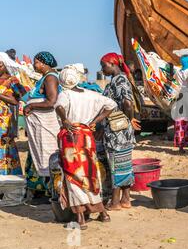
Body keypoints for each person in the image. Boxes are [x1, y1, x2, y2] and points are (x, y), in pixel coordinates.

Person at [55, 68, 117, 229]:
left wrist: (65, 120)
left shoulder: (65, 94)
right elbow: (111, 105)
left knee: (73, 175)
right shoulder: (90, 94)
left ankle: (81, 218)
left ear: (62, 81)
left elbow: (59, 107)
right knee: (90, 174)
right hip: (86, 138)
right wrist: (95, 121)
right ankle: (103, 213)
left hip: (71, 138)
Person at [100, 53, 140, 211]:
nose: (102, 69)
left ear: (112, 63)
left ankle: (115, 202)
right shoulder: (120, 79)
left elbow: (127, 103)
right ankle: (126, 199)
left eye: (104, 65)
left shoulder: (119, 80)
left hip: (117, 131)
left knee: (115, 164)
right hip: (122, 131)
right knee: (124, 163)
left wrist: (128, 119)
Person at [23, 52, 62, 198]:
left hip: (46, 124)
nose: (34, 65)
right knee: (42, 154)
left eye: (36, 62)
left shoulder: (51, 78)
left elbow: (51, 101)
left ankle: (51, 193)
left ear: (44, 63)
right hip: (39, 125)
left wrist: (31, 107)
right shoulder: (45, 77)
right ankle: (47, 191)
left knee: (48, 154)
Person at [0, 53, 26, 175]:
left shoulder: (12, 80)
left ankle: (7, 175)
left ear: (6, 65)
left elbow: (16, 100)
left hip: (3, 121)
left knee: (5, 147)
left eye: (0, 65)